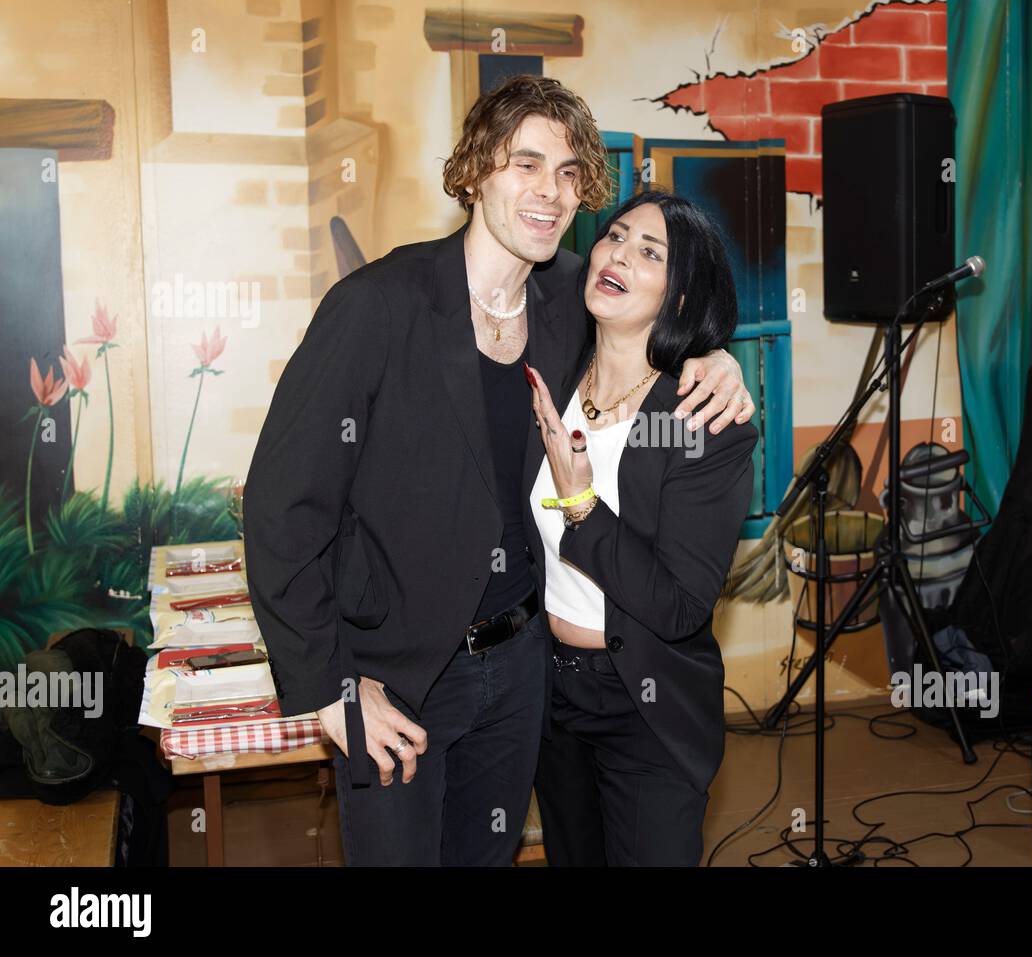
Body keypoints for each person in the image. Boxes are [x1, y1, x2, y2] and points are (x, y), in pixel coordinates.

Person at [242, 75, 754, 866]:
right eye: (526, 164)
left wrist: (717, 359)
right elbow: (282, 509)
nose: (551, 192)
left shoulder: (565, 302)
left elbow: (661, 307)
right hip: (399, 677)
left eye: (570, 174)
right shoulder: (378, 305)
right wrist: (330, 688)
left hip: (522, 678)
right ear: (478, 168)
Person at [524, 189, 759, 865]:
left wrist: (582, 506)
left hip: (645, 702)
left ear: (681, 298)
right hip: (550, 692)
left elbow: (678, 604)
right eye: (615, 236)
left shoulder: (703, 422)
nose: (618, 253)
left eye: (649, 252)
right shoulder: (549, 370)